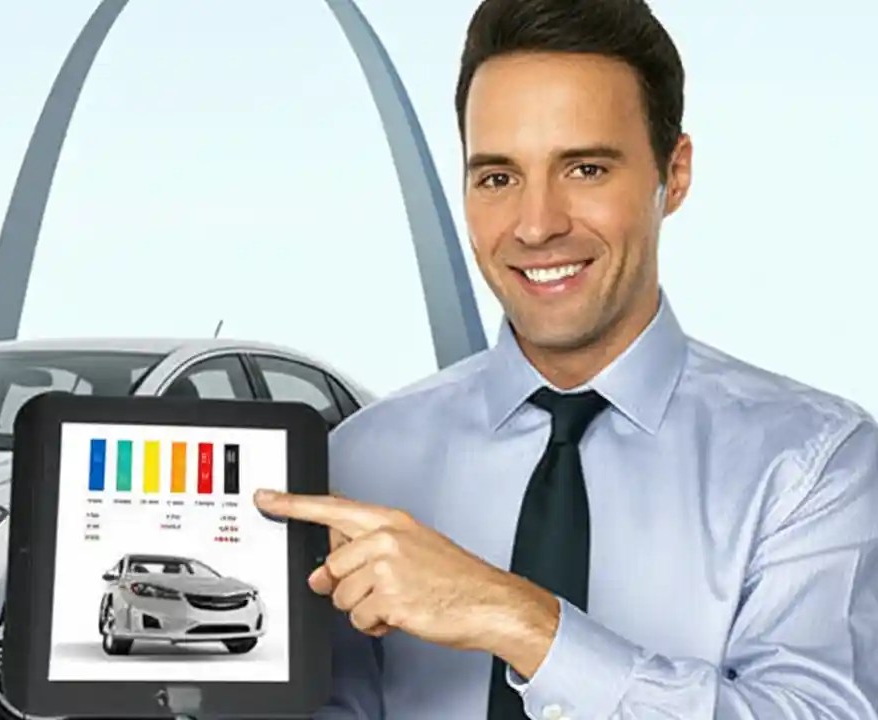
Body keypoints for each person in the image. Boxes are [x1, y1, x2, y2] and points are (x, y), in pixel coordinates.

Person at [253, 0, 878, 717]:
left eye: (584, 168)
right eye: (497, 177)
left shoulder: (814, 465)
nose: (537, 224)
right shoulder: (358, 462)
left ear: (673, 175)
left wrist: (519, 620)